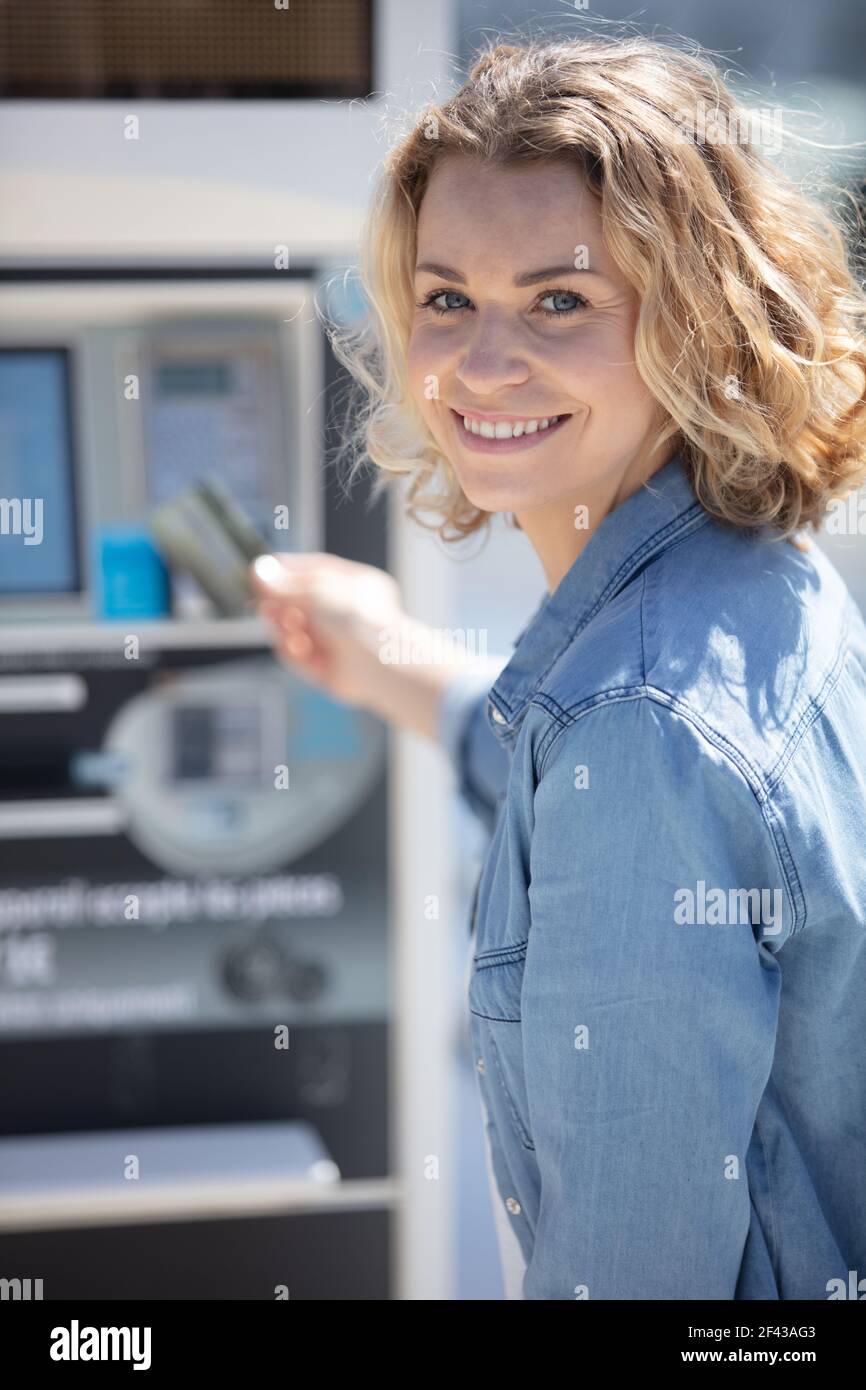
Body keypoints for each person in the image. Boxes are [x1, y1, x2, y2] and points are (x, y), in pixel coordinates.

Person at [250, 34, 866, 1299]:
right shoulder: (755, 571)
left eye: (560, 301)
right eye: (444, 299)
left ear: (694, 324)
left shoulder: (633, 727)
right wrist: (396, 669)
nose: (479, 364)